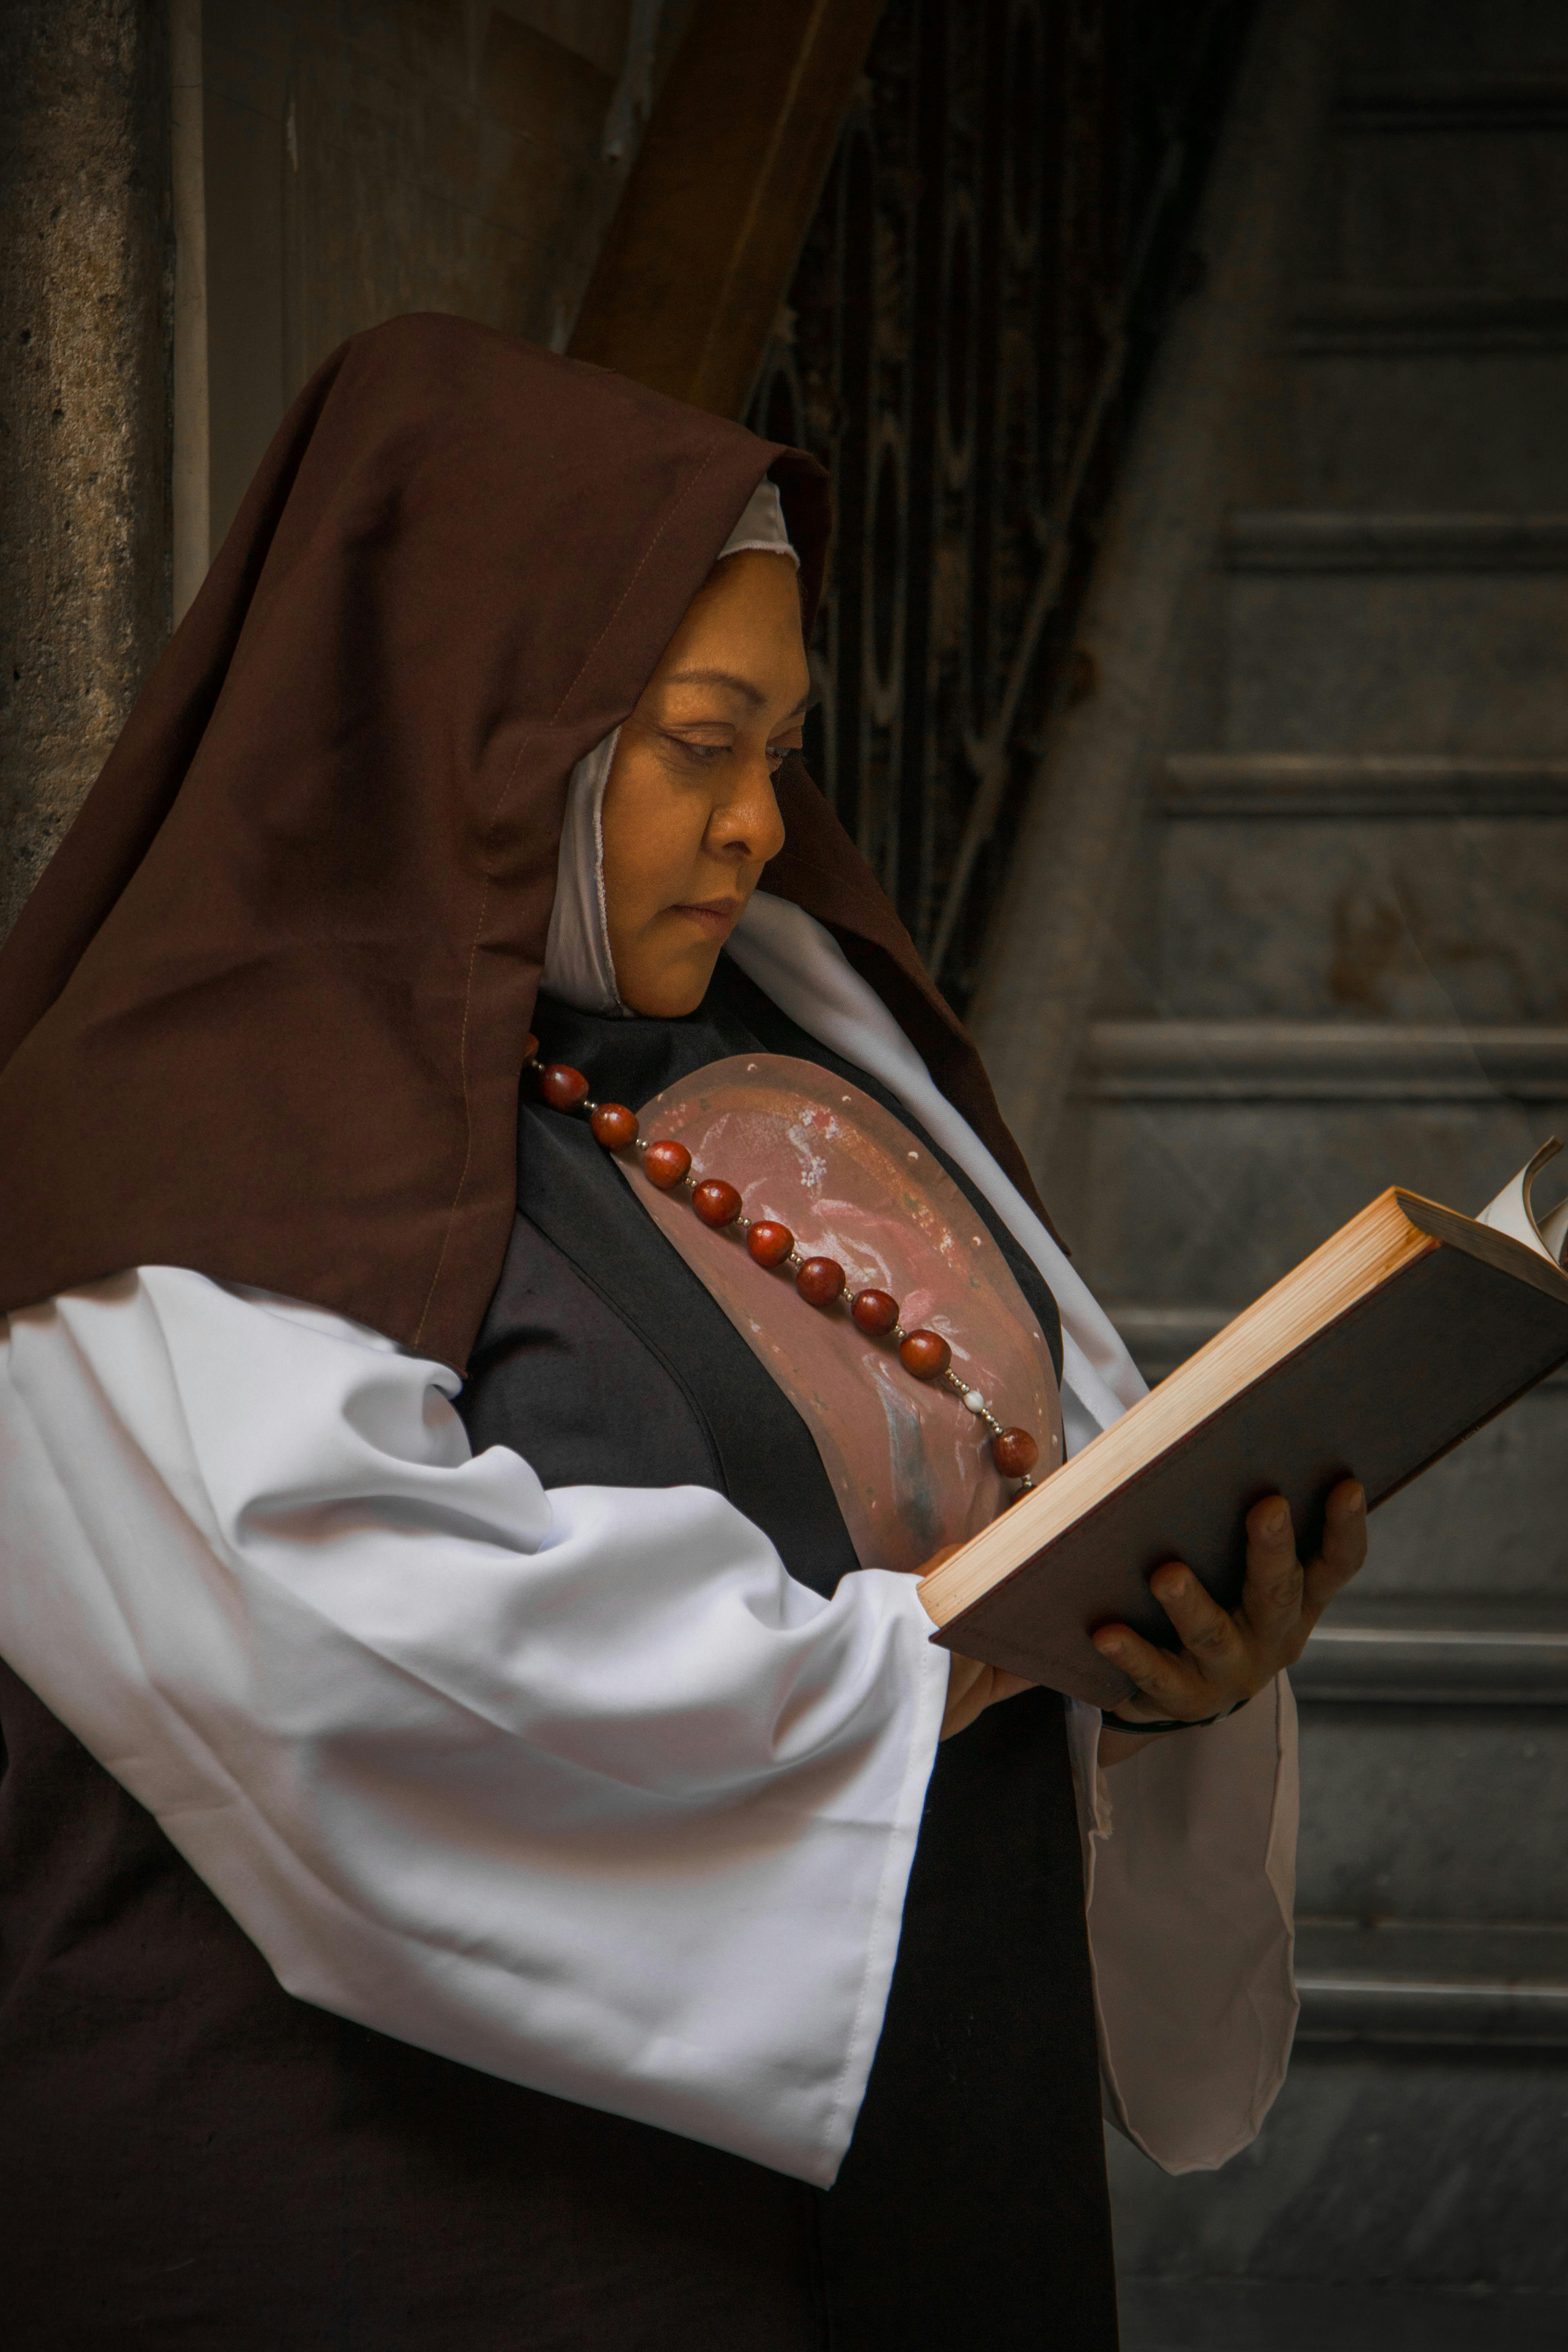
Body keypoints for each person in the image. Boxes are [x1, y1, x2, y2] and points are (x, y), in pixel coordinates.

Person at [0, 314, 1365, 2350]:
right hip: (446, 2242)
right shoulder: (165, 1138)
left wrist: (1171, 1654)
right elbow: (330, 1674)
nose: (751, 826)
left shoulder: (801, 1041)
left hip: (932, 2187)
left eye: (779, 756)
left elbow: (1044, 1472)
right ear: (486, 726)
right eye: (697, 744)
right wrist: (944, 1657)